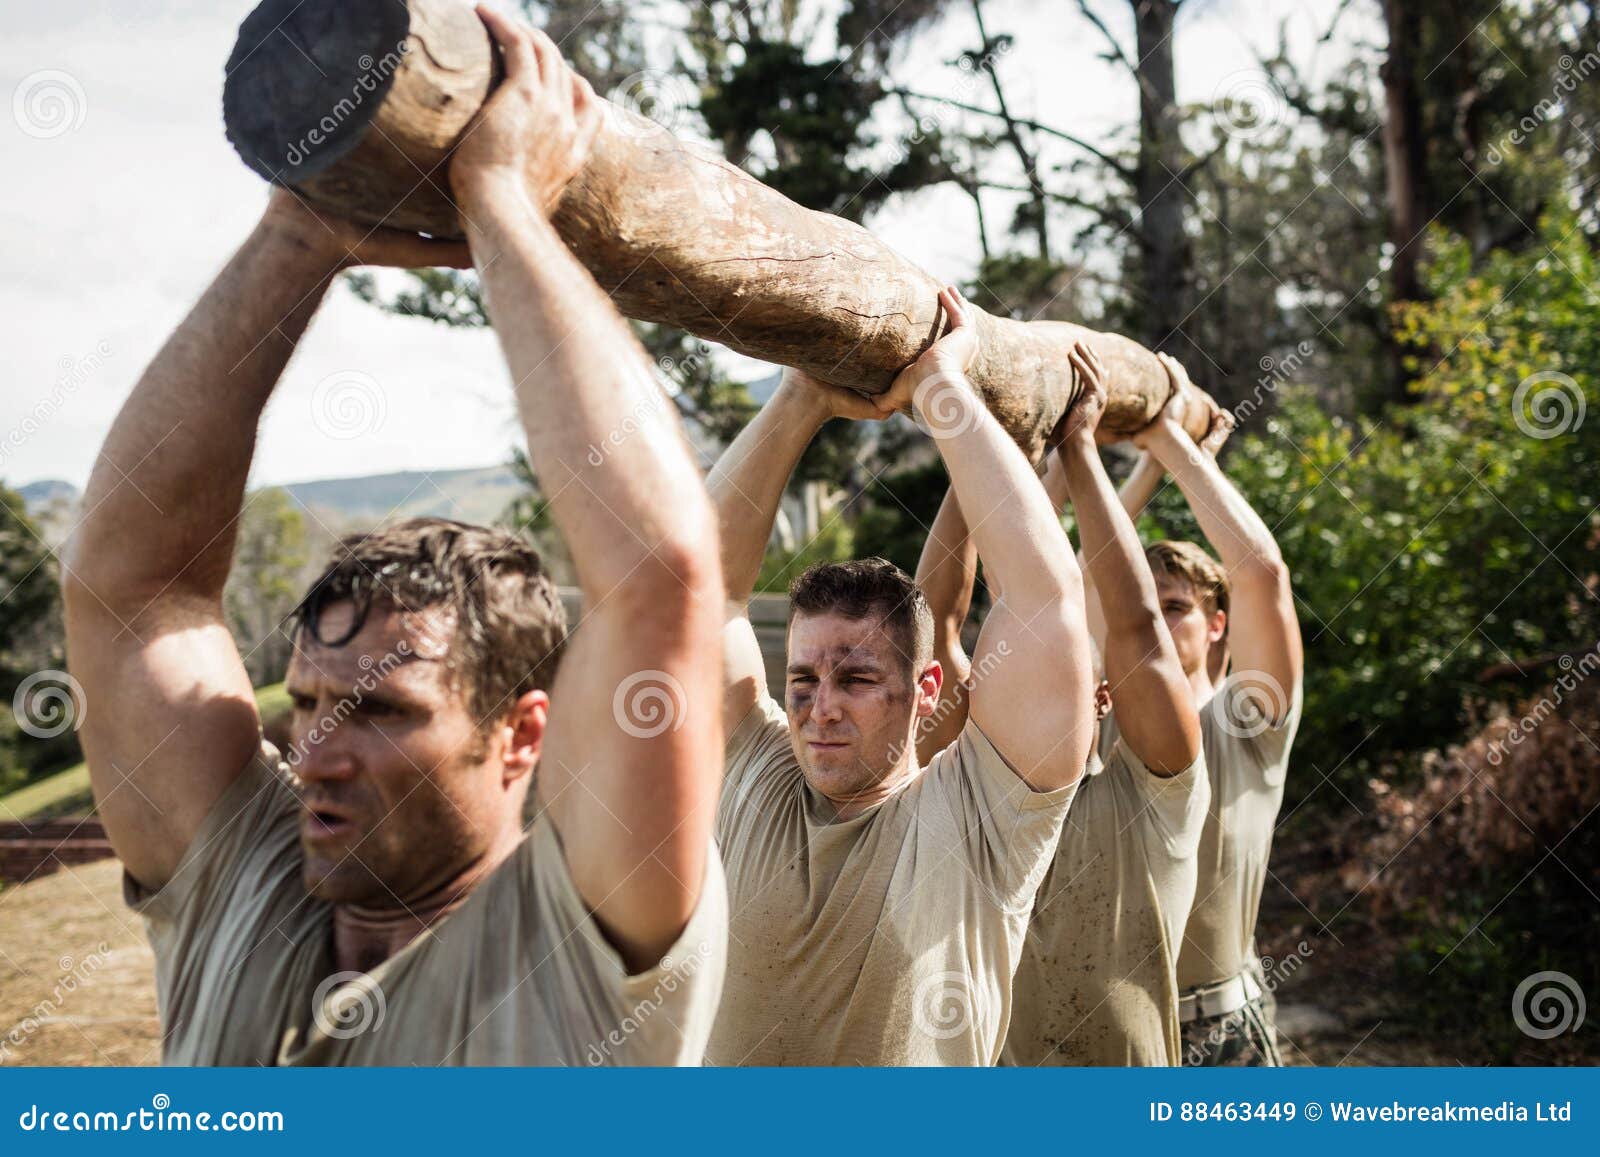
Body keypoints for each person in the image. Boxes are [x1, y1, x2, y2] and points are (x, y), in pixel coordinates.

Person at [61, 9, 726, 1066]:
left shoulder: (579, 933)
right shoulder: (246, 875)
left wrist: (503, 198)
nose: (315, 750)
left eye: (378, 708)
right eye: (311, 701)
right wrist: (298, 233)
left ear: (522, 735)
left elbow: (660, 577)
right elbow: (130, 590)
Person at [704, 287, 1097, 1065]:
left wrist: (940, 388)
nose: (820, 708)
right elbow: (697, 594)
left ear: (924, 693)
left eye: (855, 680)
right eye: (804, 680)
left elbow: (1045, 600)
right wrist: (799, 397)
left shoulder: (985, 816)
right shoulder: (756, 770)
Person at [917, 342, 1208, 1066]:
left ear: (1102, 700)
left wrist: (1080, 448)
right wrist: (980, 430)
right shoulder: (975, 802)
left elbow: (1137, 626)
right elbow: (933, 625)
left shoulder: (1155, 796)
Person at [1077, 353, 1304, 1066]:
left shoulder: (1251, 718)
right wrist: (1145, 468)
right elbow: (1087, 588)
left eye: (1173, 607)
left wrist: (1171, 439)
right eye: (1145, 605)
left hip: (1220, 1031)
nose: (1152, 620)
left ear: (1217, 625)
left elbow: (1261, 573)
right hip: (1104, 1028)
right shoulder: (1109, 710)